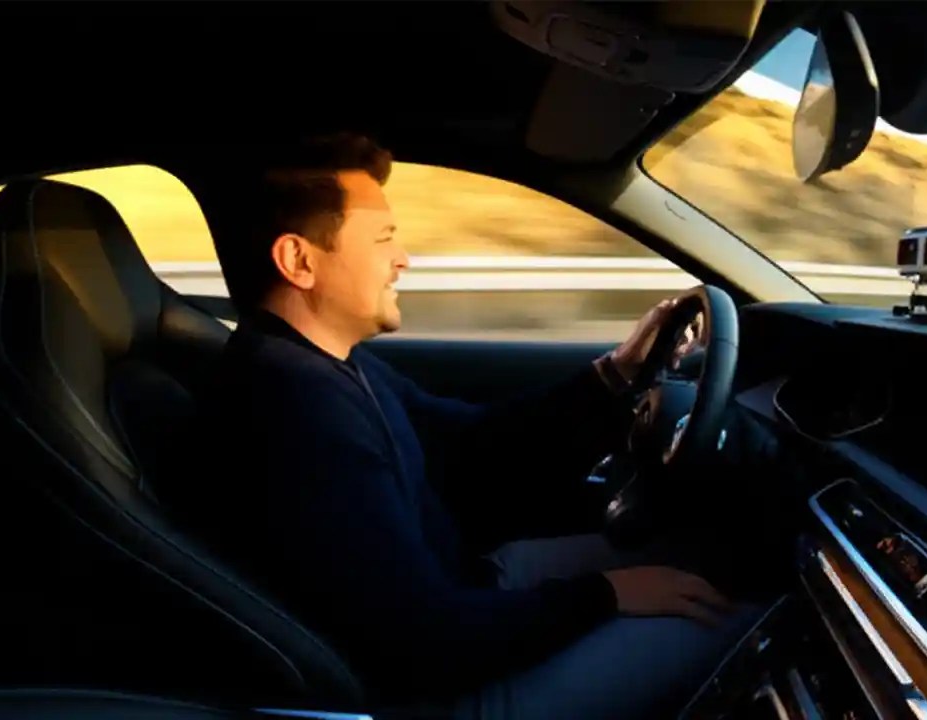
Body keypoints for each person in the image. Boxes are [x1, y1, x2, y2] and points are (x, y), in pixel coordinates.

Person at [176, 132, 766, 719]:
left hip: (467, 594)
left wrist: (615, 373)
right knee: (743, 621)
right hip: (447, 690)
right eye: (383, 238)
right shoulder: (295, 413)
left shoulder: (325, 366)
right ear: (299, 261)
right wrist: (609, 594)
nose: (402, 259)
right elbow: (426, 642)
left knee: (702, 560)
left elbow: (471, 446)